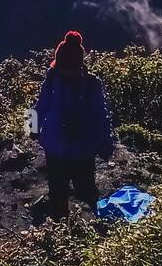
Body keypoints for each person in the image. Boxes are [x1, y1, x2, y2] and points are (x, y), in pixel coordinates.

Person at [33, 30, 114, 220]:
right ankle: (82, 226)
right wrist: (32, 127)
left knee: (70, 190)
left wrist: (33, 128)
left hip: (65, 146)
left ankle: (76, 226)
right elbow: (100, 115)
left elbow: (100, 115)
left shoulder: (62, 79)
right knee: (74, 190)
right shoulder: (82, 82)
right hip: (76, 147)